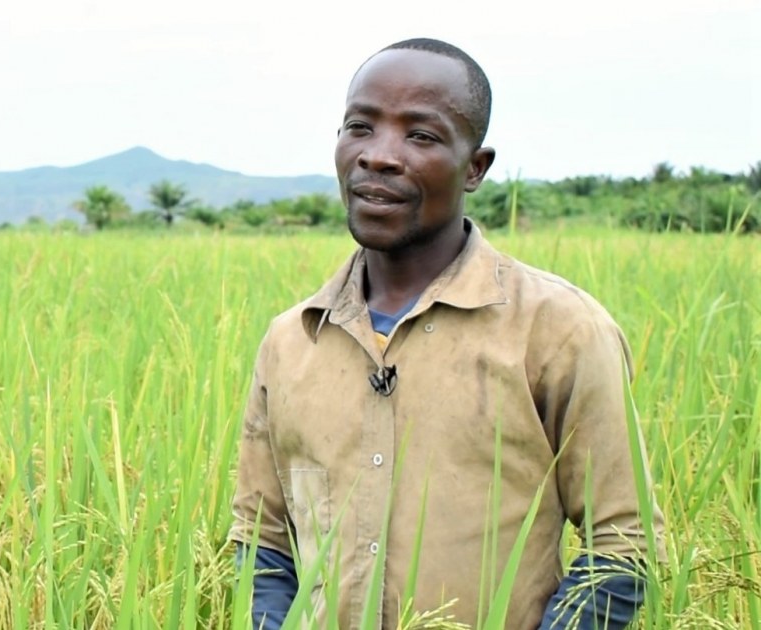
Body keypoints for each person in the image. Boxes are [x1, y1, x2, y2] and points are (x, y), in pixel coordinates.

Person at [229, 38, 665, 629]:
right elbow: (264, 544)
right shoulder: (291, 342)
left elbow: (623, 543)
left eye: (421, 135)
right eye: (360, 127)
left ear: (476, 167)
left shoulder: (559, 329)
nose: (378, 156)